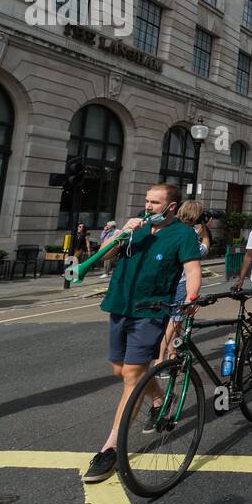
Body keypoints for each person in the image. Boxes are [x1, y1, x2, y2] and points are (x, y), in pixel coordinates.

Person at [84, 183, 201, 483]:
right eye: (147, 201)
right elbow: (104, 257)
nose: (148, 206)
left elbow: (191, 271)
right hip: (120, 305)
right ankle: (160, 400)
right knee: (118, 370)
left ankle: (111, 448)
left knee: (132, 377)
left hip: (151, 311)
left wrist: (191, 299)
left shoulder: (183, 234)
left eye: (155, 202)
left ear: (171, 207)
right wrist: (121, 232)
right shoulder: (135, 226)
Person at [159, 201, 212, 359]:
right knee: (173, 322)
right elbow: (202, 251)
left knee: (174, 321)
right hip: (181, 282)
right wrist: (205, 234)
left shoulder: (170, 228)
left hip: (165, 281)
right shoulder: (189, 234)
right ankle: (160, 359)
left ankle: (172, 353)